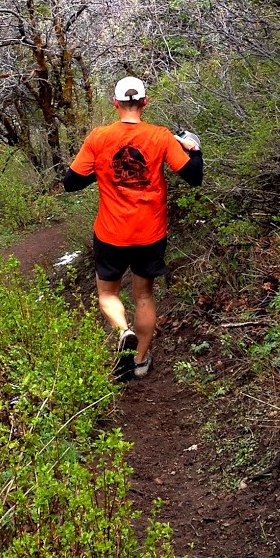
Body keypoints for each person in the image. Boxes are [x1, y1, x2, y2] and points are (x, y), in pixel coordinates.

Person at [63, 75, 203, 380]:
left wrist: (100, 170)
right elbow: (193, 176)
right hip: (150, 233)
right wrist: (195, 150)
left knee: (108, 295)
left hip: (111, 233)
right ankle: (140, 360)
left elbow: (70, 182)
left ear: (114, 103)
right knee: (143, 296)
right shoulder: (161, 136)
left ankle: (123, 330)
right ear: (144, 102)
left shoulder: (98, 138)